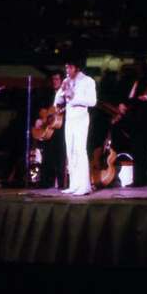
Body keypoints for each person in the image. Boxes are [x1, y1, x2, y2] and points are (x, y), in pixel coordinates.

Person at [55, 58, 97, 195]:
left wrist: (73, 98)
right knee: (70, 151)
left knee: (80, 150)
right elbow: (58, 102)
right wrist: (61, 91)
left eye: (69, 68)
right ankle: (74, 185)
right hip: (70, 119)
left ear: (77, 68)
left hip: (81, 117)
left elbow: (92, 101)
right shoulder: (67, 81)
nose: (67, 71)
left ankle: (84, 186)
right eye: (66, 68)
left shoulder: (88, 81)